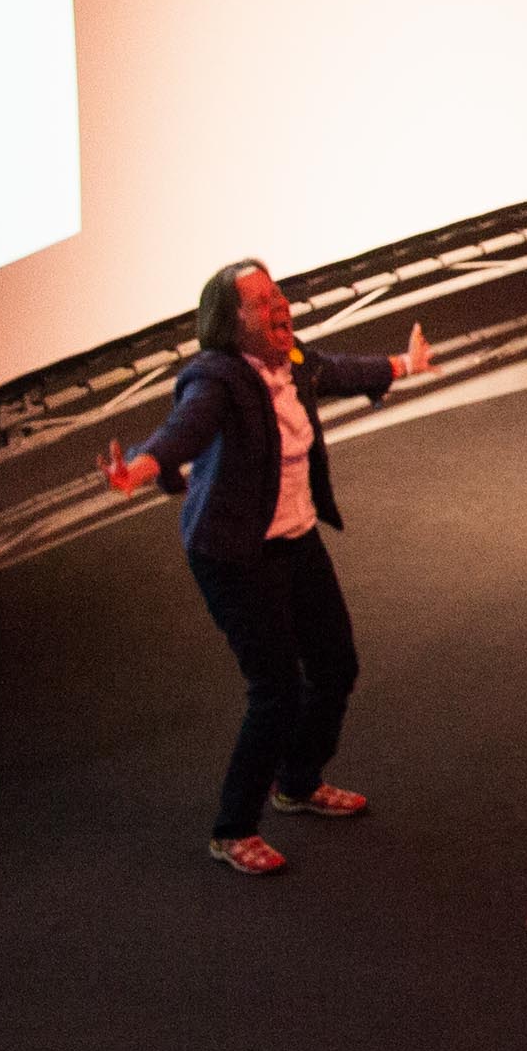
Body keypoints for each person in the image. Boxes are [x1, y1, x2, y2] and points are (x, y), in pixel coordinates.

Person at [103, 259, 431, 878]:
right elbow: (182, 431)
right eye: (263, 301)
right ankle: (233, 829)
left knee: (335, 666)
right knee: (276, 691)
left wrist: (404, 364)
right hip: (233, 555)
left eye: (278, 292)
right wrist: (138, 470)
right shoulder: (217, 380)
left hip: (295, 540)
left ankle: (298, 783)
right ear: (232, 323)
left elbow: (336, 370)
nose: (281, 305)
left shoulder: (293, 360)